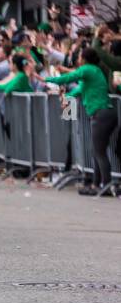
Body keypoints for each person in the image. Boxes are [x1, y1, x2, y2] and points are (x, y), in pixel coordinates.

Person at [42, 48, 115, 196]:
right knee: (96, 152)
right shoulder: (93, 72)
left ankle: (106, 186)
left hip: (101, 114)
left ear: (85, 58)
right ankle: (96, 185)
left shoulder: (87, 69)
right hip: (103, 114)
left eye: (80, 56)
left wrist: (46, 79)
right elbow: (77, 90)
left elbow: (68, 78)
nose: (78, 58)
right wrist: (66, 97)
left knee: (100, 152)